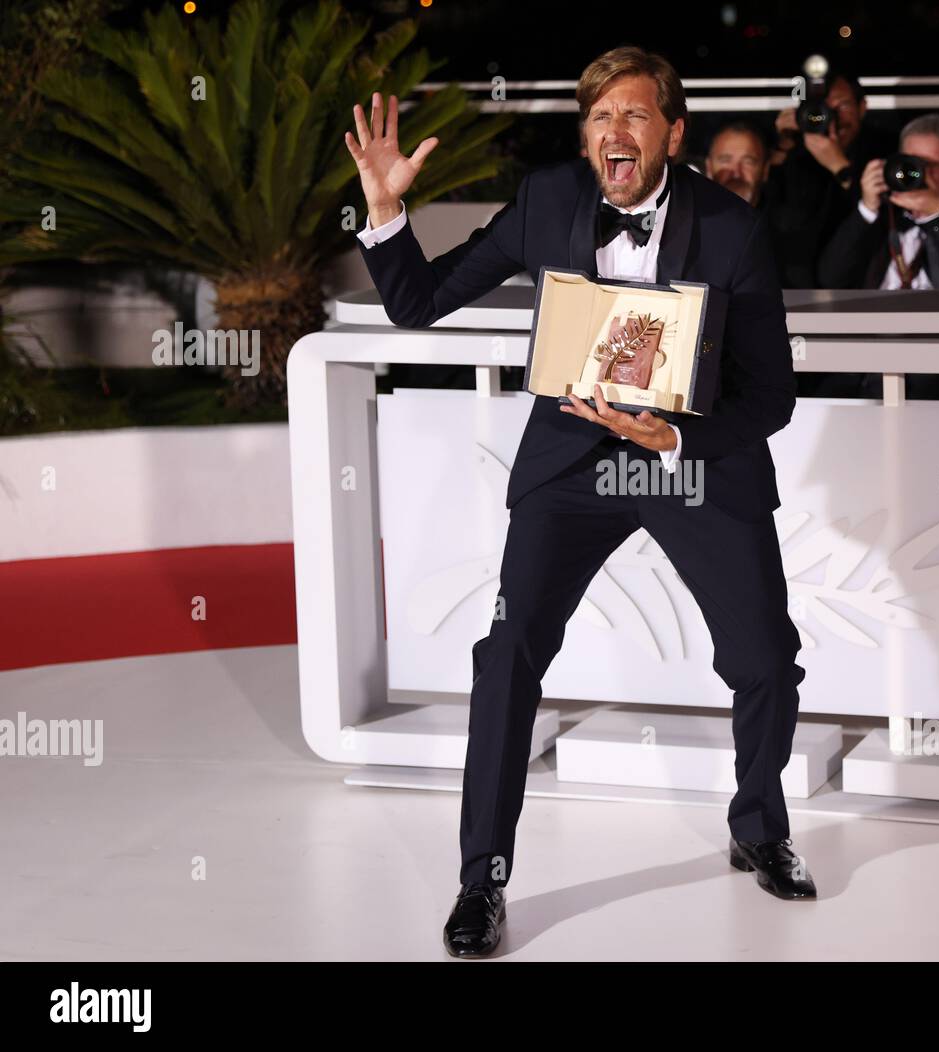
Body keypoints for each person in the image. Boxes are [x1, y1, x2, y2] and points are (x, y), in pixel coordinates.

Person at [345, 46, 816, 960]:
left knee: (764, 656)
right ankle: (481, 878)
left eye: (635, 116)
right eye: (600, 118)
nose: (615, 133)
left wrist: (674, 438)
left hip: (687, 460)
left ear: (673, 134)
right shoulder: (548, 201)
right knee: (508, 652)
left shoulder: (732, 230)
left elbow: (773, 399)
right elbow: (417, 303)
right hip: (571, 467)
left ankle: (759, 824)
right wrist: (386, 209)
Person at [814, 112, 939, 400]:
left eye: (932, 165)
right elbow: (830, 276)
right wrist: (866, 209)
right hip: (862, 360)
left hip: (938, 366)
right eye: (912, 163)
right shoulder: (878, 216)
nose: (920, 173)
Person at [763, 67, 893, 287]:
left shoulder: (883, 150)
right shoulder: (797, 153)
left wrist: (838, 165)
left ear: (862, 108)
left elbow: (880, 220)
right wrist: (783, 144)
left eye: (843, 106)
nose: (834, 118)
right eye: (824, 109)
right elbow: (772, 213)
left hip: (863, 286)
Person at [704, 120, 770, 207]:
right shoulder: (688, 218)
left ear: (765, 170)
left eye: (748, 162)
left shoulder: (787, 219)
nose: (736, 174)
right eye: (725, 161)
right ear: (709, 168)